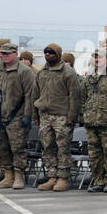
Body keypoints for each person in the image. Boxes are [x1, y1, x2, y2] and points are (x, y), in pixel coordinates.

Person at [33, 43, 83, 192]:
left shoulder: (67, 72)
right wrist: (35, 115)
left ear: (58, 55)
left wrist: (72, 116)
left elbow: (75, 96)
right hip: (45, 115)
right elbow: (36, 95)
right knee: (47, 147)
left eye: (51, 52)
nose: (48, 54)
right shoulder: (42, 73)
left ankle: (63, 177)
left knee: (63, 148)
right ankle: (52, 176)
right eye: (46, 52)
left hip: (62, 116)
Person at [0, 41, 38, 190]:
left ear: (15, 54)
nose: (4, 56)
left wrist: (28, 115)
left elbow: (30, 95)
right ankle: (7, 175)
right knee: (1, 147)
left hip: (17, 116)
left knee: (18, 148)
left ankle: (19, 176)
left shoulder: (24, 71)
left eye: (7, 53)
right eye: (2, 53)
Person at [81, 45, 107, 192]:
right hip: (91, 120)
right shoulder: (89, 78)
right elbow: (84, 97)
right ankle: (98, 180)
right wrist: (84, 114)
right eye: (96, 57)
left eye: (101, 57)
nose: (97, 60)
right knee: (94, 154)